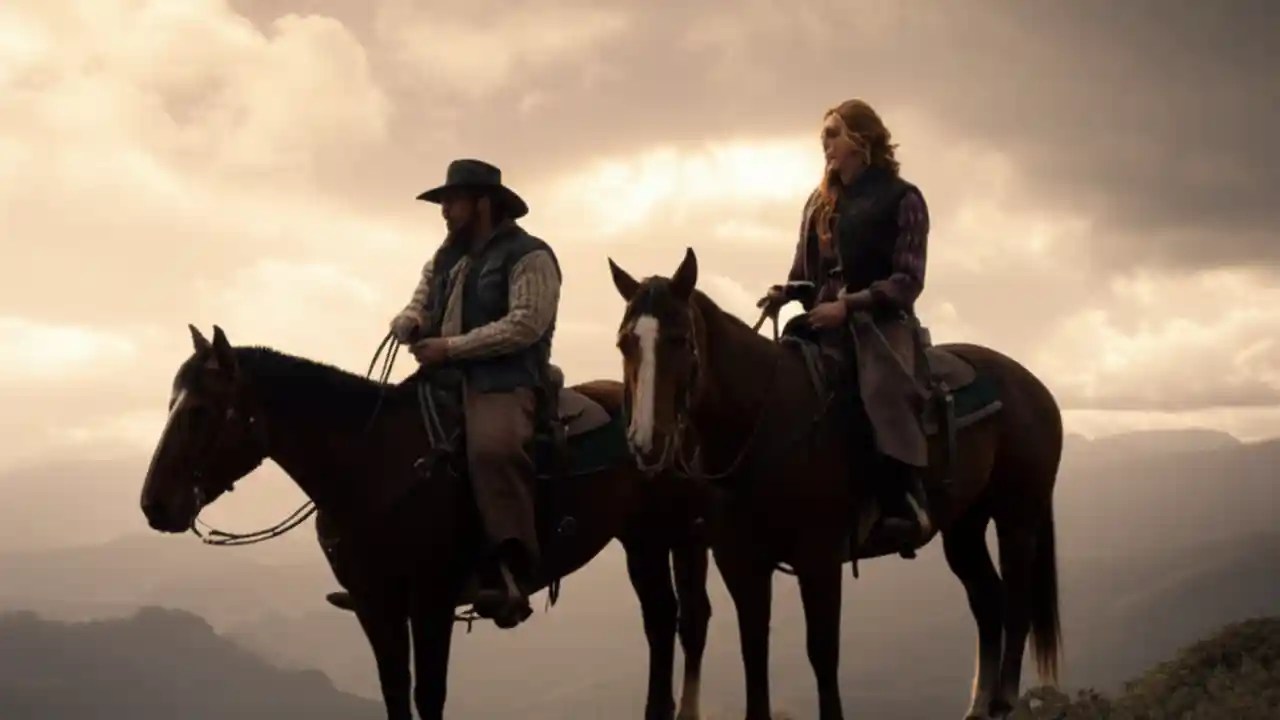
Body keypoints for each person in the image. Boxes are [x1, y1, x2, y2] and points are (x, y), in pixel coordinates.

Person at [325, 158, 562, 628]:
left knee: (493, 449)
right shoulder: (445, 256)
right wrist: (409, 321)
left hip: (505, 381)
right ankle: (385, 568)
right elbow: (421, 299)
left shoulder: (531, 256)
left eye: (452, 202)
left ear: (482, 203)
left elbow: (525, 325)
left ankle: (512, 568)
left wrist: (451, 348)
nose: (445, 211)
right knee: (384, 436)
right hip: (443, 378)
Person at [757, 99, 933, 554]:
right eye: (823, 138)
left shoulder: (903, 199)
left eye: (834, 135)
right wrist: (786, 292)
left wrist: (850, 305)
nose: (826, 145)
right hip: (822, 319)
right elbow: (804, 270)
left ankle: (902, 498)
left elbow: (907, 281)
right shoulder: (819, 202)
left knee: (880, 386)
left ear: (862, 140)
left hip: (879, 322)